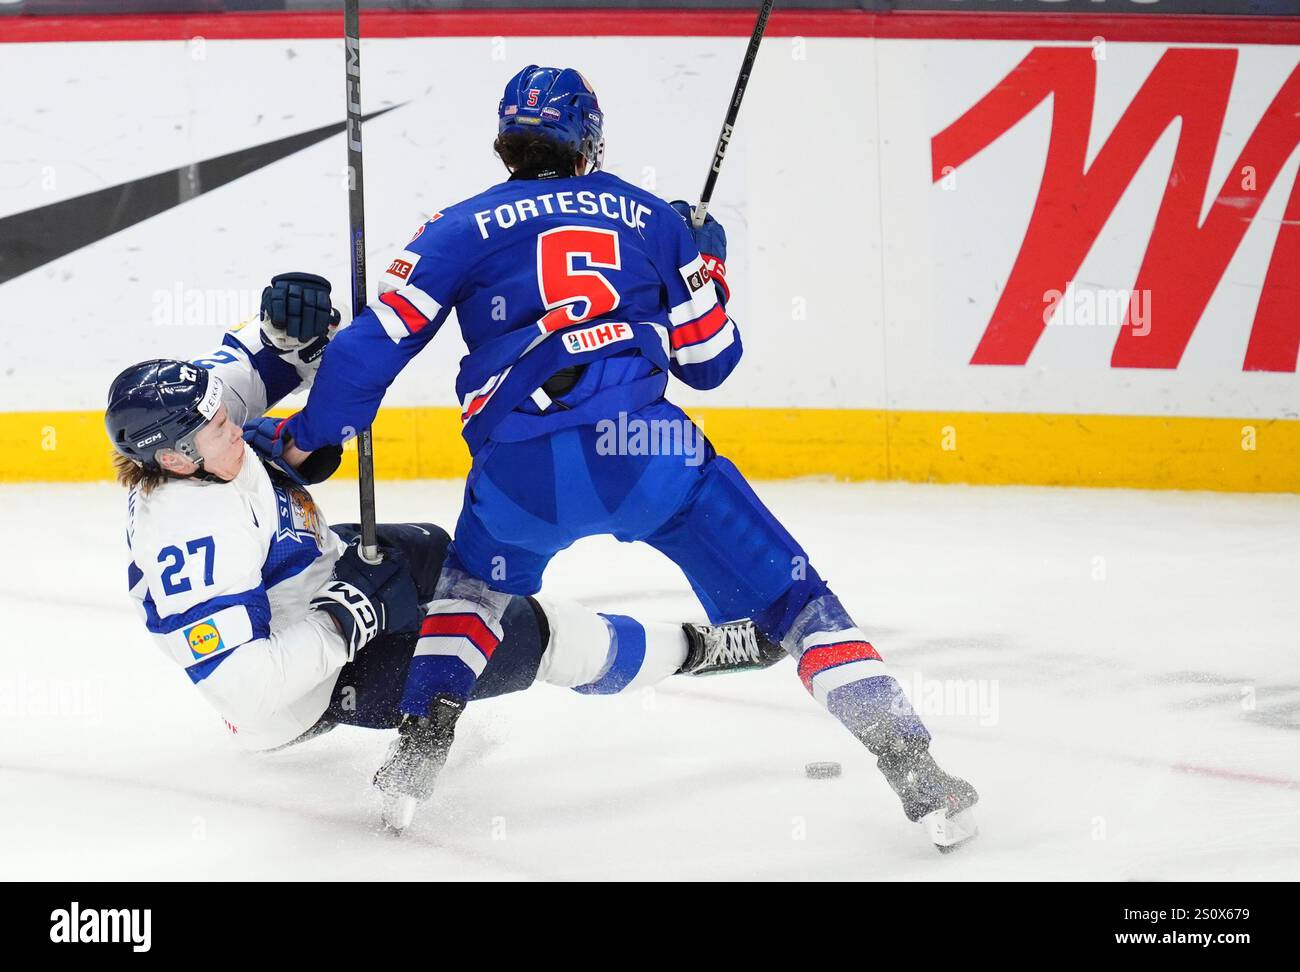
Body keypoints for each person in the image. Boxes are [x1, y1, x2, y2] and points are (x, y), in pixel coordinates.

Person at [260, 67, 979, 849]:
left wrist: (313, 434)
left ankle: (419, 748)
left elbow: (374, 345)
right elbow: (711, 362)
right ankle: (917, 772)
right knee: (797, 605)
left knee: (472, 590)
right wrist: (707, 269)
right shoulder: (648, 218)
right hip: (646, 454)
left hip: (519, 469)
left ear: (506, 141)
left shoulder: (457, 226)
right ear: (589, 141)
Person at [107, 272, 780, 771]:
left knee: (445, 561)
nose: (234, 420)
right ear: (172, 458)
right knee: (535, 634)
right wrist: (346, 617)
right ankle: (696, 650)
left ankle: (430, 716)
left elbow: (259, 365)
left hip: (321, 583)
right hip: (304, 691)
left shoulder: (195, 429)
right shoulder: (191, 535)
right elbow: (252, 694)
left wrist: (285, 330)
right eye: (221, 426)